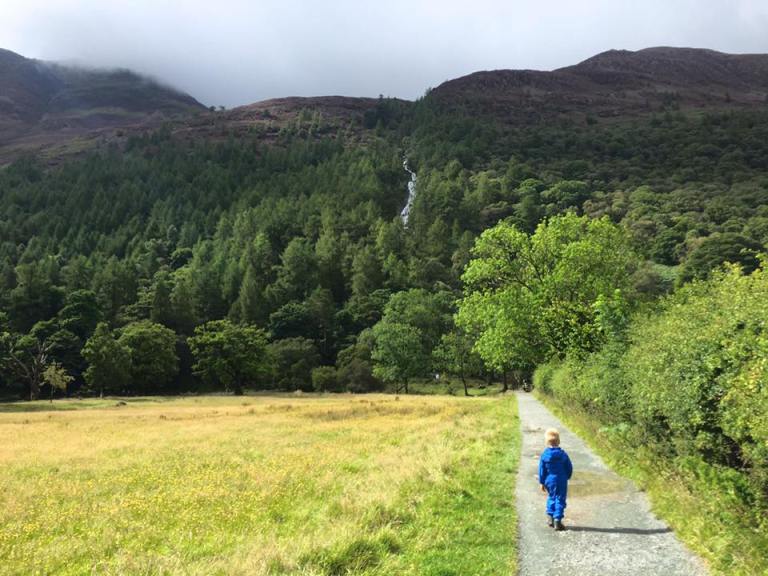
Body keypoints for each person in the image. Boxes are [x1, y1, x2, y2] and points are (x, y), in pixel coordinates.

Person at [538, 428, 573, 531]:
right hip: (561, 479)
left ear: (547, 442)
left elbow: (541, 470)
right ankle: (557, 520)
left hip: (549, 480)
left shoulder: (545, 455)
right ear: (558, 441)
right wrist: (567, 476)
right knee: (560, 499)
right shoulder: (563, 455)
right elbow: (569, 467)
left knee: (551, 497)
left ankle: (550, 517)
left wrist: (542, 482)